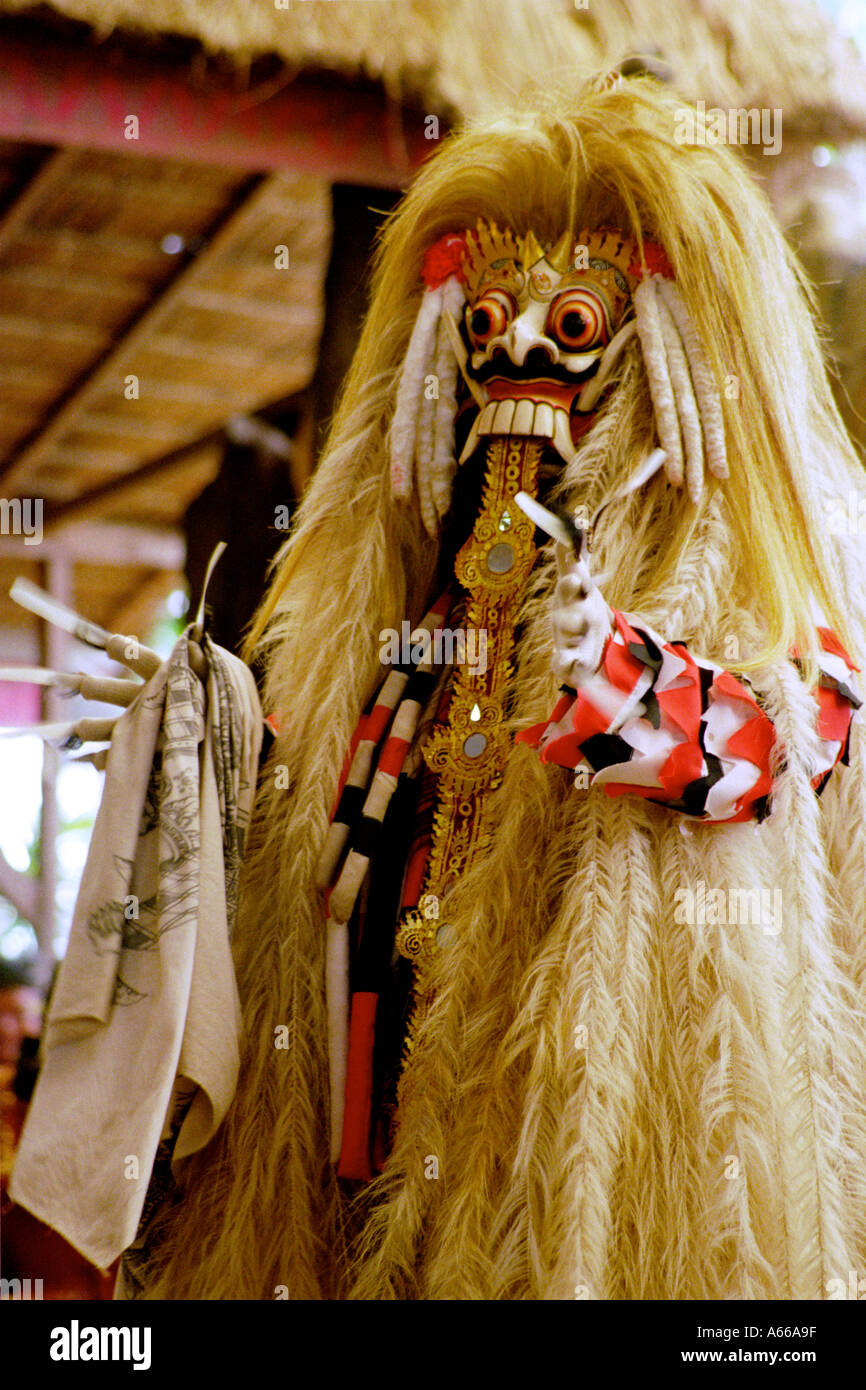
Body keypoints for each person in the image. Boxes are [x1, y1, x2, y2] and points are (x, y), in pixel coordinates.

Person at [75, 74, 866, 1299]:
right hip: (370, 1056)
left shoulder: (767, 577)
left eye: (570, 329)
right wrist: (208, 740)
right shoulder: (419, 606)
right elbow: (331, 803)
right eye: (485, 328)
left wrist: (612, 669)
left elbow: (788, 737)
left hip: (580, 1101)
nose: (519, 363)